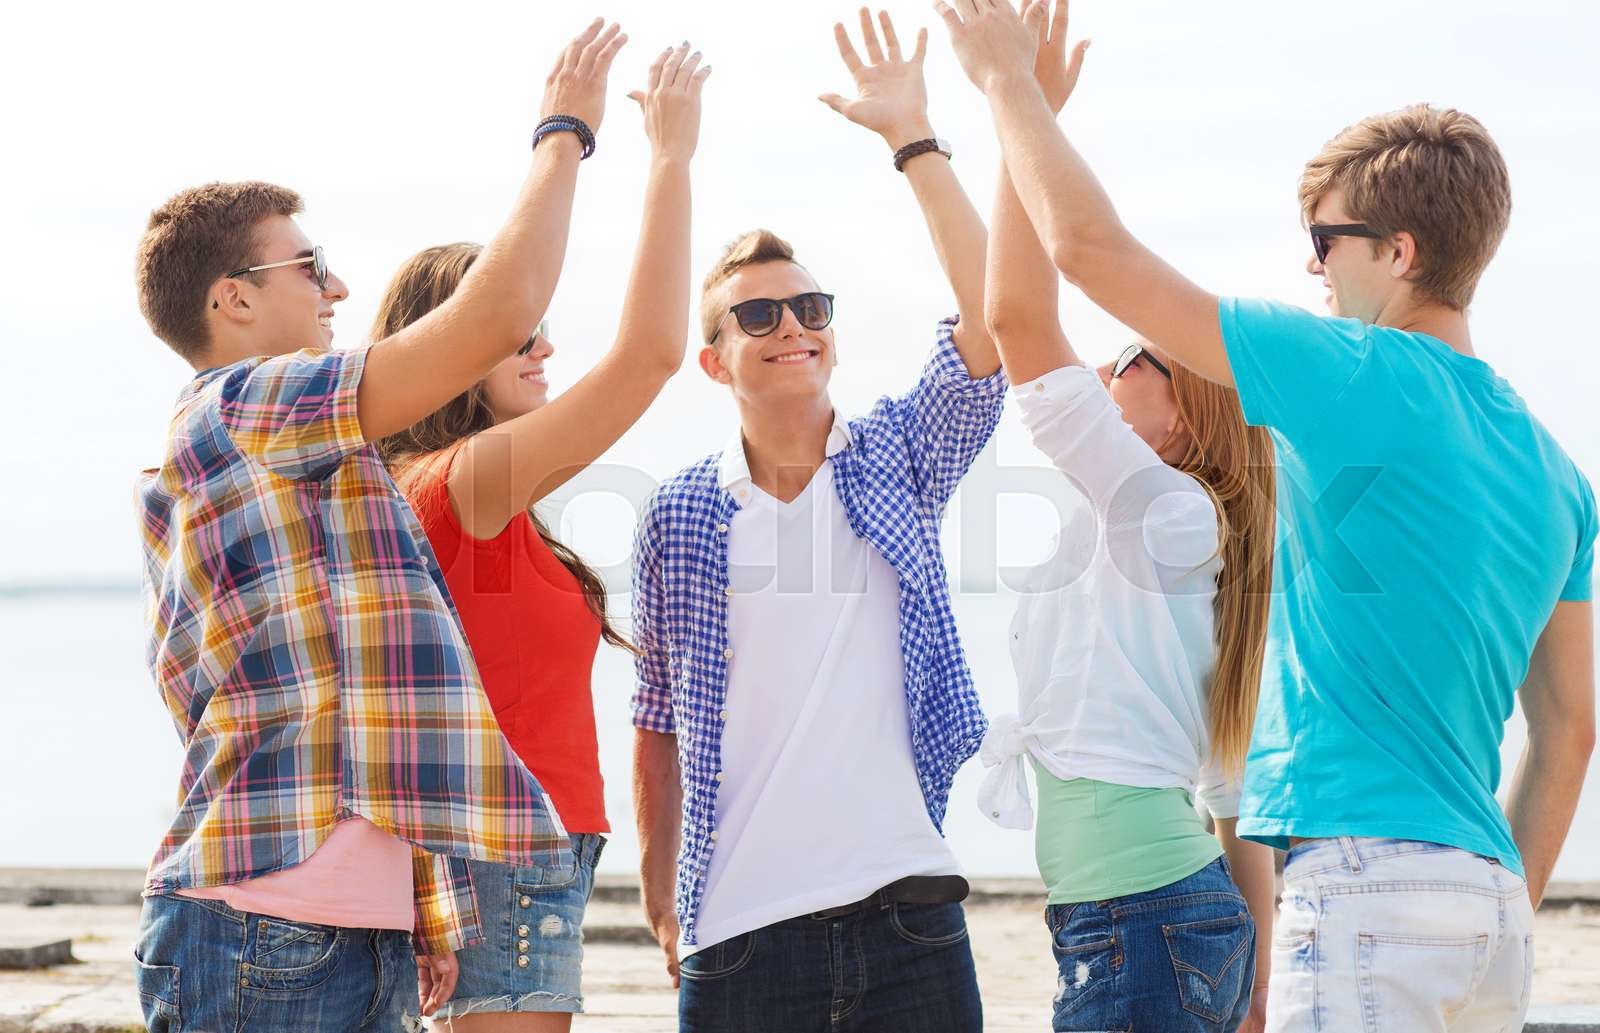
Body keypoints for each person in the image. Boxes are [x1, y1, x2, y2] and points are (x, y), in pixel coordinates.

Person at [938, 2, 1598, 1031]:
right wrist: (1501, 898)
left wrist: (1005, 83)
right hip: (1489, 910)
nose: (1312, 267)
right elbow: (1568, 730)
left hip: (1362, 885)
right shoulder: (1558, 473)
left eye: (1326, 240)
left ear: (1399, 251)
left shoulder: (1354, 371)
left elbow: (1087, 250)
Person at [130, 20, 627, 1032]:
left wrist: (422, 905)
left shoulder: (291, 448)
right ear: (232, 298)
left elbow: (363, 688)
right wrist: (564, 131)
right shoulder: (242, 403)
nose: (340, 289)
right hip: (259, 926)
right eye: (311, 266)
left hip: (345, 935)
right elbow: (495, 315)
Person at [630, 10, 1006, 1031]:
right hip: (739, 932)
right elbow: (656, 715)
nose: (791, 327)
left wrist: (913, 141)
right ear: (714, 359)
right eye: (758, 315)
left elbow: (993, 317)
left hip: (909, 917)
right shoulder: (680, 512)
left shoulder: (897, 453)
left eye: (810, 308)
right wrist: (660, 890)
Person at [373, 41, 711, 1031]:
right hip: (506, 854)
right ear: (458, 344)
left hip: (519, 850)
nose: (545, 344)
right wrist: (666, 157)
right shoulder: (457, 486)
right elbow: (650, 357)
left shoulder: (478, 497)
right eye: (520, 331)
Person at [972, 7, 1275, 1030]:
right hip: (1146, 921)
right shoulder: (1157, 527)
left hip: (1139, 922)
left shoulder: (1166, 512)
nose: (1103, 366)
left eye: (1131, 358)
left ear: (1190, 416)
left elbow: (1018, 321)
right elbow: (1236, 802)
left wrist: (1011, 99)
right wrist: (1253, 983)